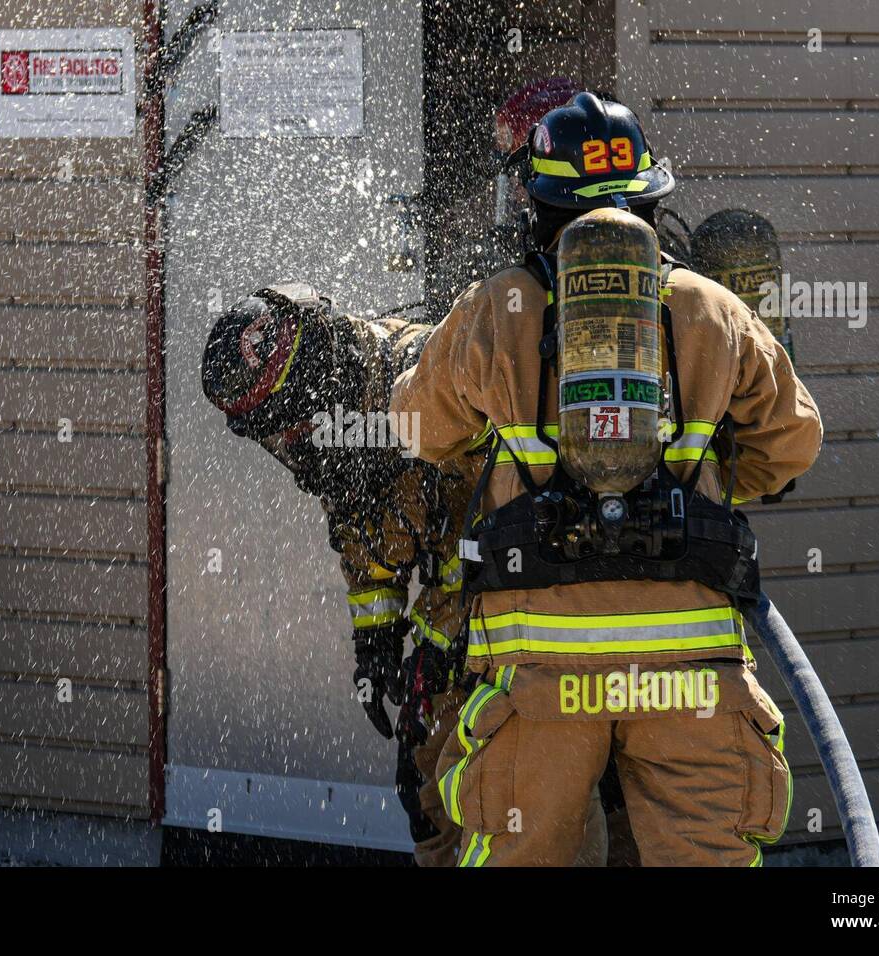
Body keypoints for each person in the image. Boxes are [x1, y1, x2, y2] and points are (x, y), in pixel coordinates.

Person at [391, 92, 823, 866]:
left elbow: (418, 430)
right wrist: (714, 481)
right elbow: (793, 443)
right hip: (689, 680)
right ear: (652, 199)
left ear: (539, 204)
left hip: (538, 678)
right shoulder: (710, 307)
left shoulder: (498, 307)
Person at [199, 283, 470, 866]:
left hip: (523, 631)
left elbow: (496, 542)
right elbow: (369, 544)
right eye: (272, 431)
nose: (287, 442)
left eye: (288, 421)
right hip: (456, 631)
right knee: (423, 787)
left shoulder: (424, 381)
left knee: (489, 790)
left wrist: (443, 646)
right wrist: (374, 638)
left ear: (318, 377)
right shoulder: (336, 440)